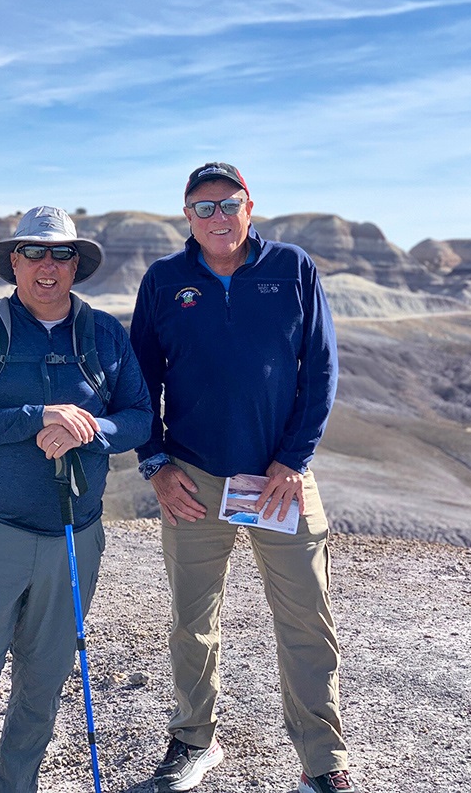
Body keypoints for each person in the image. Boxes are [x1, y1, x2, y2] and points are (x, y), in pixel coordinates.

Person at [130, 164, 359, 793]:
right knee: (192, 619)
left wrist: (294, 458)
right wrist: (156, 464)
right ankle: (193, 741)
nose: (218, 218)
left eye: (228, 204)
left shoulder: (292, 268)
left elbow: (321, 367)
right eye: (203, 208)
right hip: (195, 476)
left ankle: (322, 761)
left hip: (281, 480)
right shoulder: (164, 280)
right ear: (187, 217)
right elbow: (140, 381)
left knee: (307, 619)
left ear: (249, 207)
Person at [0, 206, 152, 793]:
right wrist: (37, 417)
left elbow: (140, 418)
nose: (49, 265)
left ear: (76, 264)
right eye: (34, 253)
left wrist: (88, 430)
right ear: (14, 262)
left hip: (75, 539)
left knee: (40, 696)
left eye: (61, 254)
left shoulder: (105, 335)